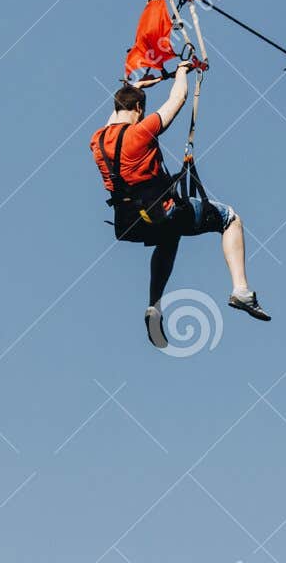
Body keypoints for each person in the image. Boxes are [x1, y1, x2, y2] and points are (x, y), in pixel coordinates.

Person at [91, 64, 269, 349]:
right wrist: (184, 71)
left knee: (168, 238)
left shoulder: (97, 141)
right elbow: (177, 100)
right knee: (230, 218)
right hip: (163, 211)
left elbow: (115, 117)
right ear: (138, 108)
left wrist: (135, 88)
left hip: (130, 223)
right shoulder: (142, 132)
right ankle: (241, 290)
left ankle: (154, 306)